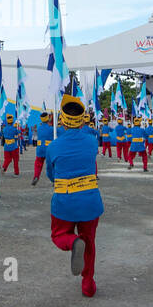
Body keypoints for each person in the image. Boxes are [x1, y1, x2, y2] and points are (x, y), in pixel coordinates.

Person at [45, 95, 104, 296]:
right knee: (89, 242)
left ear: (61, 120)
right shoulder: (91, 142)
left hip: (64, 202)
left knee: (59, 235)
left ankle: (72, 242)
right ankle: (88, 284)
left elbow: (51, 175)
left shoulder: (52, 147)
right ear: (82, 119)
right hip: (90, 201)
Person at [30, 111, 53, 184]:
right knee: (50, 166)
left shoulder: (39, 128)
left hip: (39, 149)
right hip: (48, 149)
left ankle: (36, 176)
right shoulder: (51, 129)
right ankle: (53, 180)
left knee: (38, 164)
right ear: (47, 118)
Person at [0, 111, 21, 176]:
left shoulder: (4, 129)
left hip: (6, 146)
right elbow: (19, 135)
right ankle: (16, 173)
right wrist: (17, 135)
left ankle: (4, 167)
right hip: (14, 146)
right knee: (15, 160)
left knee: (7, 159)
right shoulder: (14, 129)